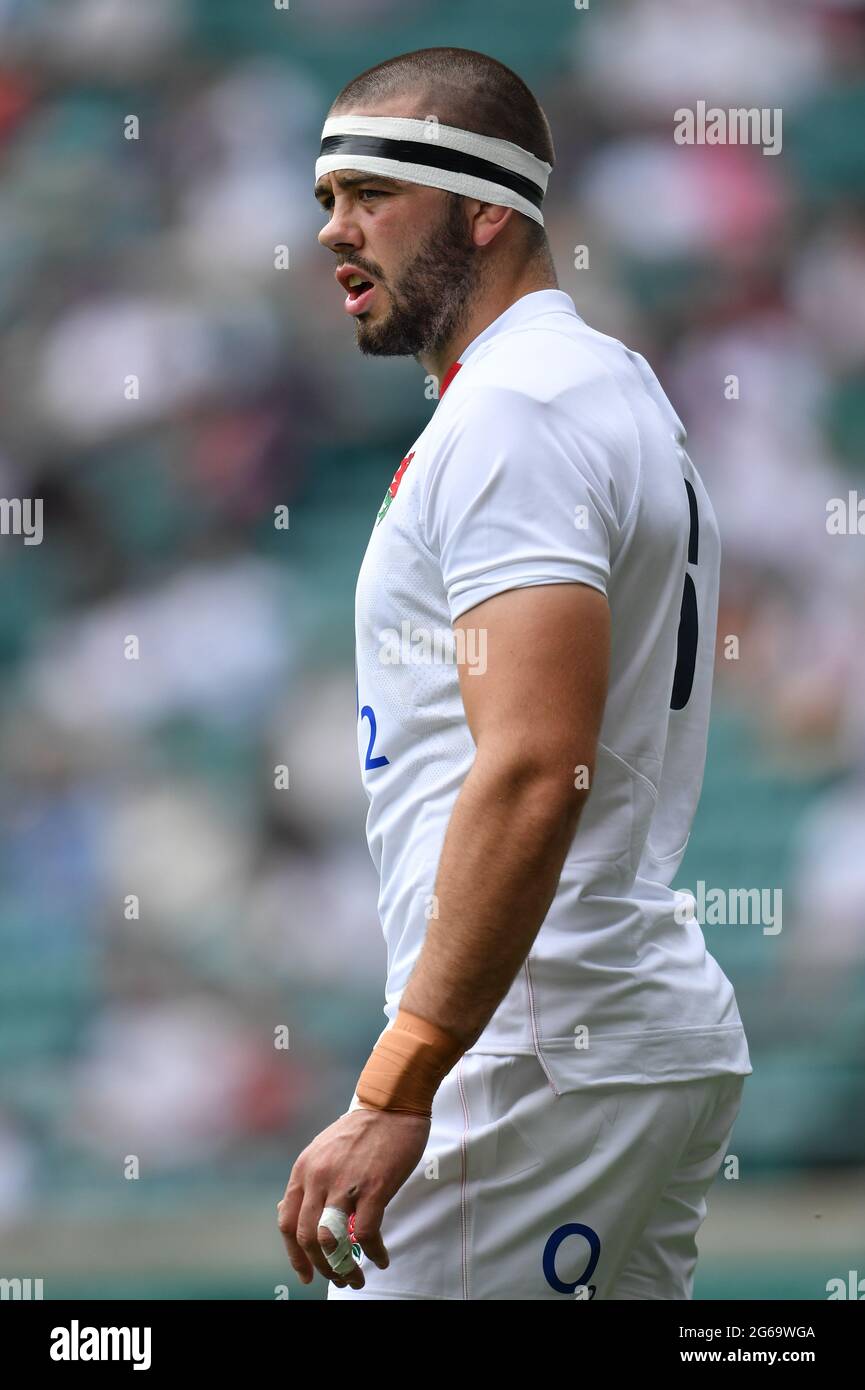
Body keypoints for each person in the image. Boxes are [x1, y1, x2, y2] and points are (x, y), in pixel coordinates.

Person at [277, 46, 751, 1301]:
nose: (335, 230)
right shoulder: (592, 385)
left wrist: (398, 1081)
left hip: (538, 1047)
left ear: (488, 207)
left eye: (372, 193)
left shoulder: (514, 412)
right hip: (603, 1035)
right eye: (327, 199)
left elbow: (538, 761)